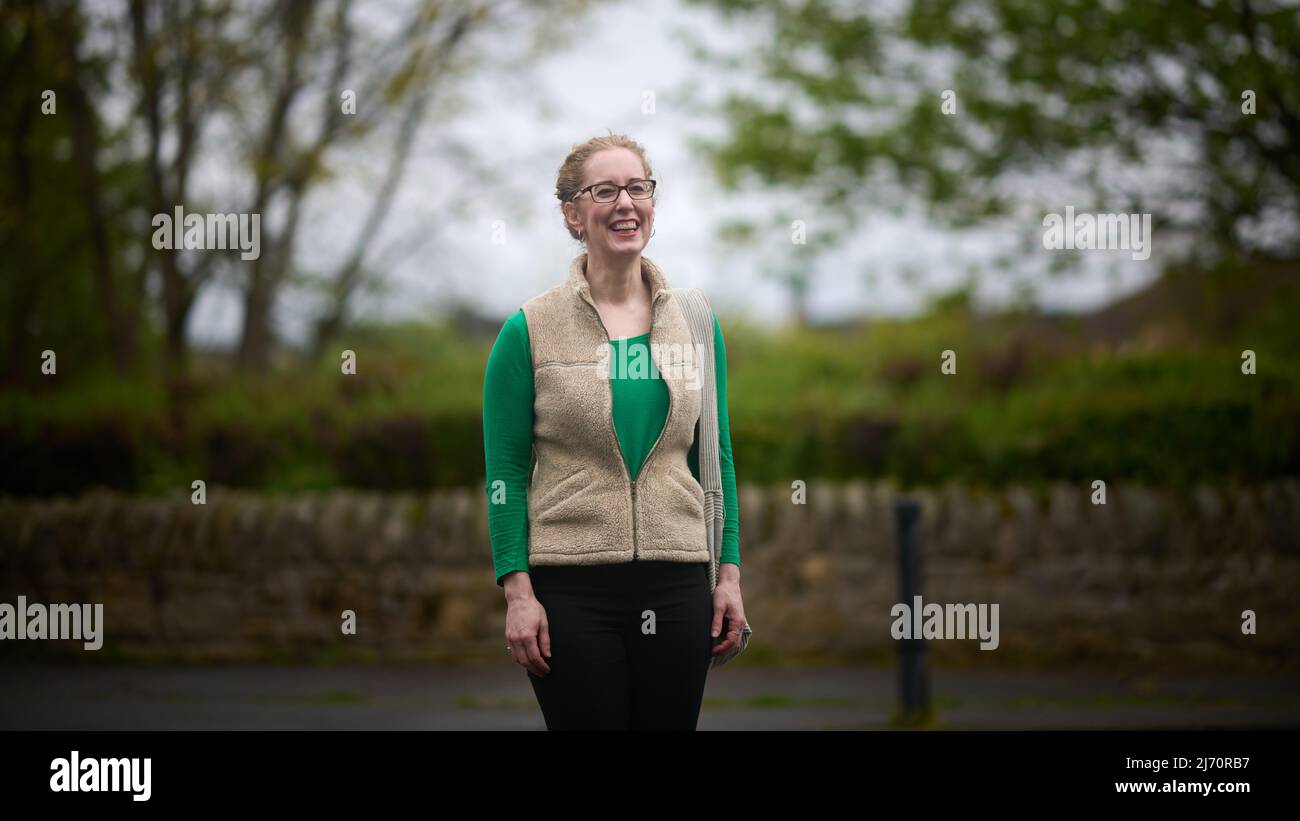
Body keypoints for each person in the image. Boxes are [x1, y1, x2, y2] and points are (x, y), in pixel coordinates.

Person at [481, 132, 745, 730]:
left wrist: (727, 576)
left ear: (653, 202)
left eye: (638, 188)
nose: (625, 203)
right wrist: (517, 593)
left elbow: (717, 459)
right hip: (570, 592)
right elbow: (504, 473)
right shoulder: (527, 331)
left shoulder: (697, 323)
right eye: (605, 191)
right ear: (573, 214)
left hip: (680, 581)